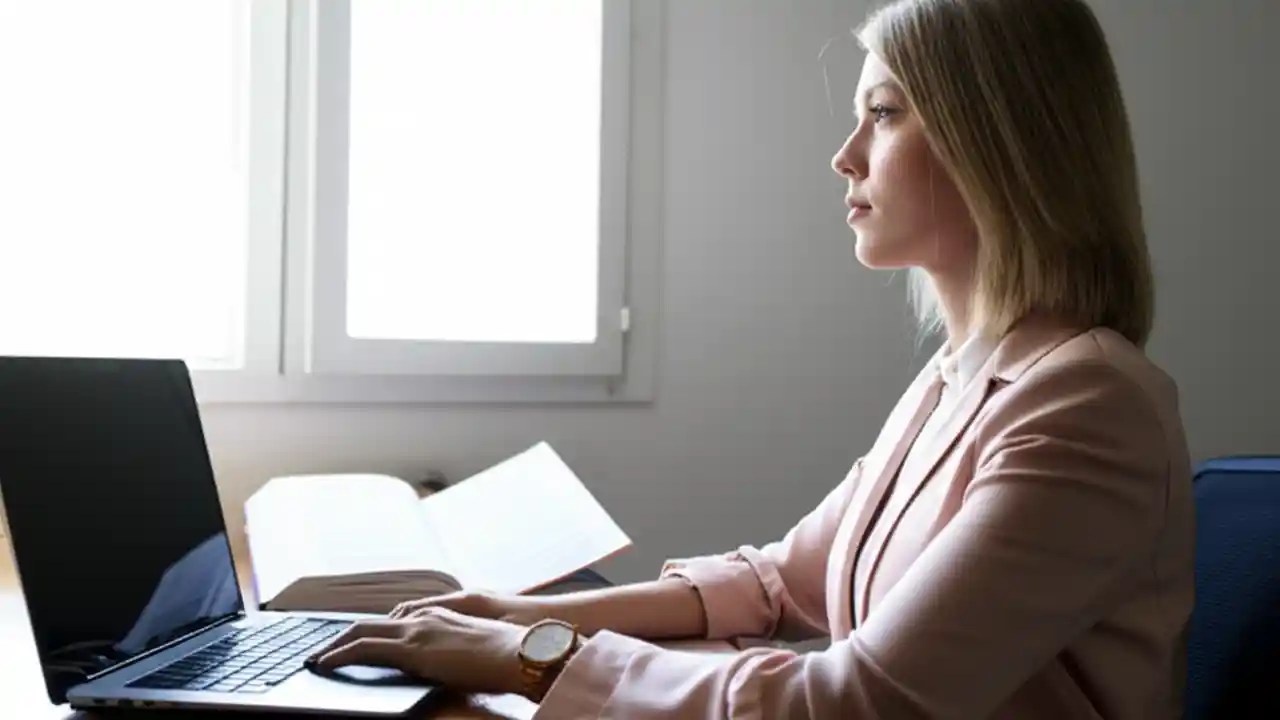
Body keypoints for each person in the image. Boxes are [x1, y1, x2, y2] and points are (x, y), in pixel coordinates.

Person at [309, 0, 1194, 716]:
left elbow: (856, 703)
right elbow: (780, 583)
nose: (844, 156)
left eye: (882, 115)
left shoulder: (1085, 406)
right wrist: (524, 615)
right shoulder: (958, 382)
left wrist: (529, 659)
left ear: (998, 139)